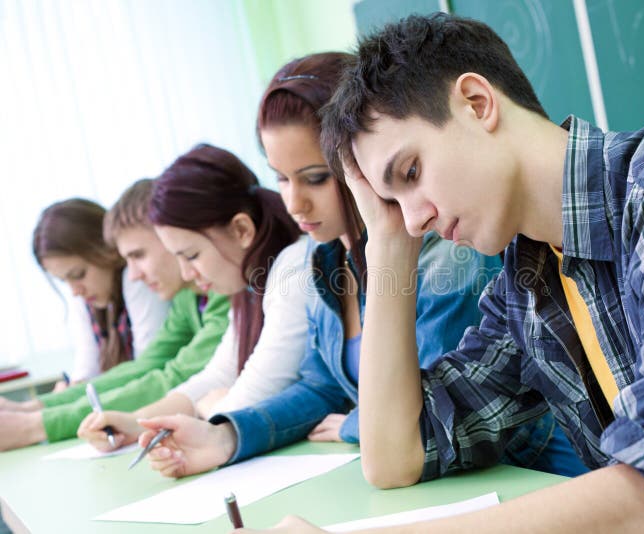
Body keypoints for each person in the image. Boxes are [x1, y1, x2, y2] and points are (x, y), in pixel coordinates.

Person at [278, 13, 644, 534]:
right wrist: (388, 244)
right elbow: (395, 456)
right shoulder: (527, 278)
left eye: (411, 173)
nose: (416, 219)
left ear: (477, 103)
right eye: (393, 201)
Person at [137, 52, 584, 481]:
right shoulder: (324, 263)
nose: (294, 202)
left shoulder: (454, 252)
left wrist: (355, 425)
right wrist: (226, 435)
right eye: (280, 177)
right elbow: (322, 387)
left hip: (521, 475)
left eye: (315, 177)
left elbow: (425, 414)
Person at [79, 144, 309, 451]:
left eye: (192, 255)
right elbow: (218, 374)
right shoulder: (246, 288)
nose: (187, 274)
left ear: (241, 230)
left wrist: (209, 410)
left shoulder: (294, 267)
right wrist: (137, 422)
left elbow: (259, 388)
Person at [0, 179, 229, 450]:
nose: (133, 274)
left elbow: (172, 377)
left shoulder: (222, 287)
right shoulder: (185, 297)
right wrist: (37, 408)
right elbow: (146, 366)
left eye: (139, 255)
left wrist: (37, 423)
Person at [34, 197, 170, 386]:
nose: (75, 291)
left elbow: (145, 368)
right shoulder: (87, 296)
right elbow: (87, 369)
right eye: (64, 281)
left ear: (104, 250)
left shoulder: (136, 279)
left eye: (78, 274)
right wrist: (72, 390)